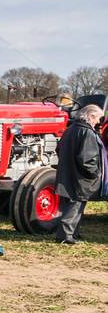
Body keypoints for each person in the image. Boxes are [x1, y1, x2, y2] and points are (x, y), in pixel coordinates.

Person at [54, 104, 104, 245]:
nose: (98, 122)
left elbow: (59, 149)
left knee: (70, 204)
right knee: (76, 205)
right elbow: (87, 159)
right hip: (80, 177)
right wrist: (95, 173)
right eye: (98, 119)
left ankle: (72, 233)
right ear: (91, 116)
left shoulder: (70, 129)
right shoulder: (87, 133)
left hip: (67, 172)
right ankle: (65, 236)